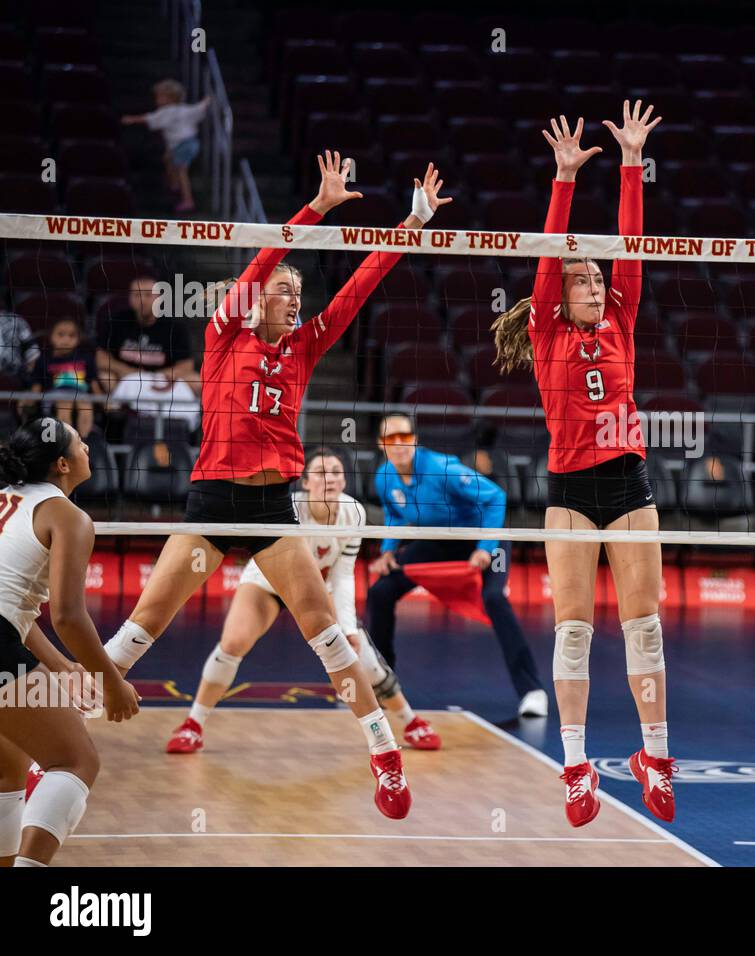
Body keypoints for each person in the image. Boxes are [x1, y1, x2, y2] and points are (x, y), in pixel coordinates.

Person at [97, 151, 452, 820]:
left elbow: (360, 288)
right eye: (283, 293)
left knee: (328, 632)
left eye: (298, 294)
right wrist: (317, 207)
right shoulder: (224, 334)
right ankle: (56, 745)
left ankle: (385, 756)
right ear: (256, 300)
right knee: (145, 622)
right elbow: (264, 262)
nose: (294, 300)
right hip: (211, 503)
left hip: (268, 506)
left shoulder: (308, 345)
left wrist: (413, 222)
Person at [490, 102, 675, 827]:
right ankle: (575, 767)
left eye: (600, 281)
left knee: (646, 625)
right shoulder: (545, 329)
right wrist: (565, 177)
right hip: (570, 491)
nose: (596, 287)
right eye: (583, 282)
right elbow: (547, 254)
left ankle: (654, 754)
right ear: (561, 296)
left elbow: (632, 244)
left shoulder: (623, 316)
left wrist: (632, 161)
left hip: (628, 485)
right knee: (574, 629)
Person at [165, 448, 441, 754]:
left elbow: (343, 575)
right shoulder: (289, 508)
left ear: (345, 481)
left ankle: (410, 720)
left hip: (316, 589)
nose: (330, 479)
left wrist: (348, 628)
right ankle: (193, 724)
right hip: (268, 582)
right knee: (232, 643)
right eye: (321, 473)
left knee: (359, 654)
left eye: (336, 472)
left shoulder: (354, 513)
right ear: (306, 482)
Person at [0, 419, 140, 867]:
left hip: (6, 638)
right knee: (76, 762)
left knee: (8, 773)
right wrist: (112, 682)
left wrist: (61, 667)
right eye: (79, 442)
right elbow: (67, 615)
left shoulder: (7, 499)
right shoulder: (68, 516)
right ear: (63, 463)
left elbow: (14, 608)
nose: (87, 444)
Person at [368, 414, 546, 719]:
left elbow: (495, 498)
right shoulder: (384, 476)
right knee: (380, 592)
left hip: (480, 538)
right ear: (380, 445)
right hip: (436, 542)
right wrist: (387, 551)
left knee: (493, 599)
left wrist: (485, 548)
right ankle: (384, 685)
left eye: (405, 436)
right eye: (390, 439)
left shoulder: (441, 468)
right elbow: (396, 516)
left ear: (415, 438)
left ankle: (532, 691)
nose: (399, 444)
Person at [98, 273, 199, 396]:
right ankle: (115, 413)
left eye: (148, 295)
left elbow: (186, 366)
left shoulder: (175, 327)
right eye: (137, 295)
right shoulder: (117, 321)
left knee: (197, 382)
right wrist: (127, 371)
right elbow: (101, 359)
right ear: (129, 298)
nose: (142, 300)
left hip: (162, 378)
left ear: (159, 298)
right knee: (105, 377)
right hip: (124, 376)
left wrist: (157, 376)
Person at [121, 79, 210, 214]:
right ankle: (174, 184)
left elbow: (149, 118)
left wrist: (131, 119)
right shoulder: (184, 110)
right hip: (188, 144)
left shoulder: (167, 112)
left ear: (170, 98)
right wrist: (207, 100)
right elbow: (198, 108)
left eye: (159, 96)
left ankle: (187, 200)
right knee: (168, 158)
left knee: (181, 170)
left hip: (183, 144)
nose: (156, 99)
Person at [26, 317, 104, 437]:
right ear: (51, 337)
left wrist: (104, 402)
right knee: (64, 405)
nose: (66, 339)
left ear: (78, 339)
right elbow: (37, 384)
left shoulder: (86, 358)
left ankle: (84, 440)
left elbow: (93, 382)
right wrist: (29, 401)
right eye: (61, 335)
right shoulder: (44, 359)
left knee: (86, 407)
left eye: (71, 335)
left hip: (80, 394)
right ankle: (66, 441)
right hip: (55, 395)